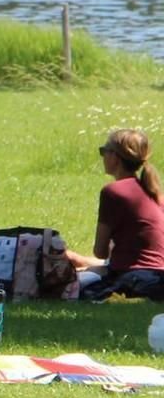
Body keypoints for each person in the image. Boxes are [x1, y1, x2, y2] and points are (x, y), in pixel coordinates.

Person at [71, 129, 164, 301]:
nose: (103, 157)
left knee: (74, 289)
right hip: (158, 278)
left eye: (104, 151)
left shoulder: (113, 192)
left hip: (134, 279)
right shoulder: (154, 193)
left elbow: (100, 252)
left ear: (115, 157)